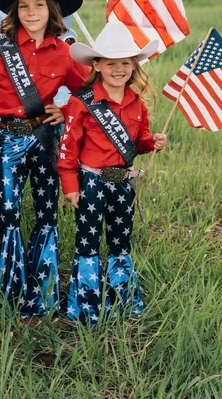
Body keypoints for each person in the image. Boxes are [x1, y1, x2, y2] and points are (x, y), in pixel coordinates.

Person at [0, 0, 88, 316]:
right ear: (14, 11)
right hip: (10, 137)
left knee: (46, 215)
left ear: (52, 10)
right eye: (23, 6)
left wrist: (67, 109)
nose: (31, 12)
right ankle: (7, 291)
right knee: (8, 214)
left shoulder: (64, 51)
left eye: (38, 5)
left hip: (45, 139)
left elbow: (89, 93)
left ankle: (42, 294)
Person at [59, 21, 167, 324]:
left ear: (133, 66)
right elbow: (68, 148)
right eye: (111, 63)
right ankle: (87, 307)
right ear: (97, 65)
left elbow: (139, 141)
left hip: (123, 183)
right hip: (91, 182)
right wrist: (70, 184)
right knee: (88, 243)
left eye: (125, 63)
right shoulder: (81, 102)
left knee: (121, 241)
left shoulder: (137, 102)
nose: (118, 69)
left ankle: (123, 299)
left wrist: (152, 141)